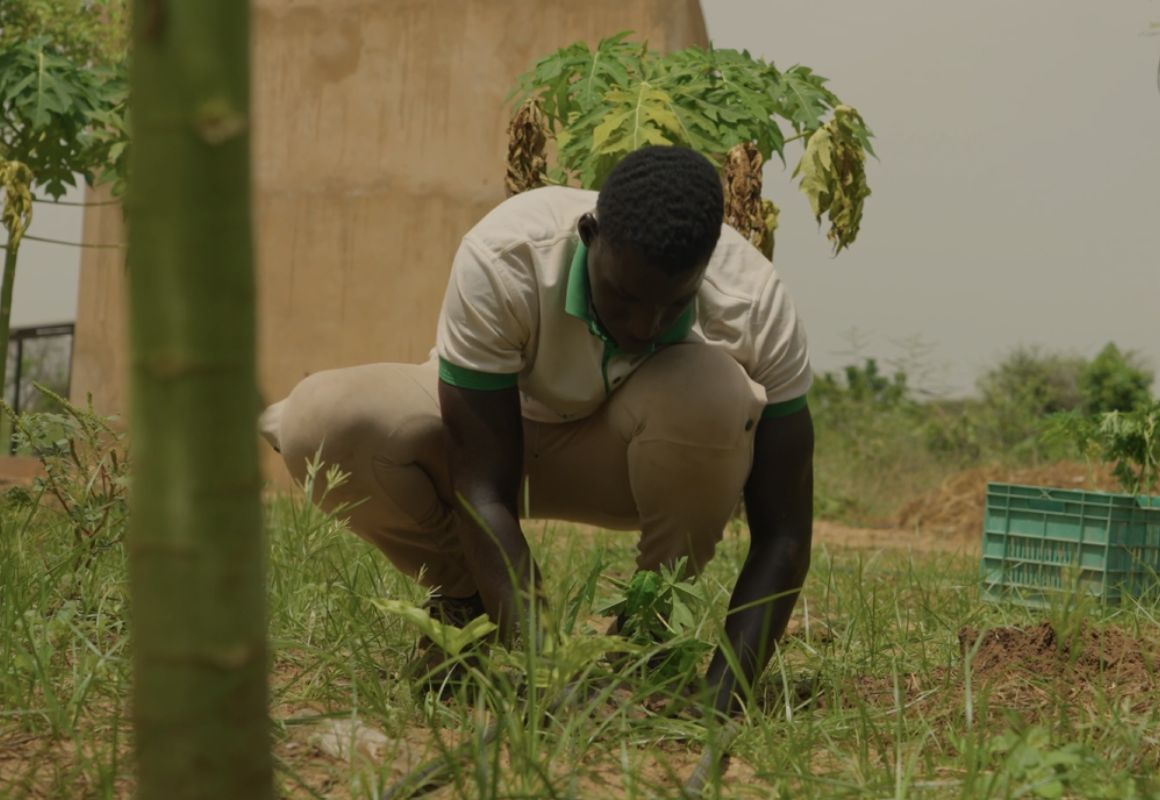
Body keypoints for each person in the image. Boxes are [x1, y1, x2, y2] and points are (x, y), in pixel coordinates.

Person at [258, 146, 815, 719]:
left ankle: (644, 635)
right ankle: (469, 601)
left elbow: (785, 534)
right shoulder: (508, 255)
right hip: (490, 438)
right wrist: (552, 672)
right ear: (590, 235)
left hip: (625, 462)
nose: (643, 325)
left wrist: (725, 694)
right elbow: (482, 490)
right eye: (623, 297)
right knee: (320, 418)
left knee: (717, 391)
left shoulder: (753, 301)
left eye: (673, 304)